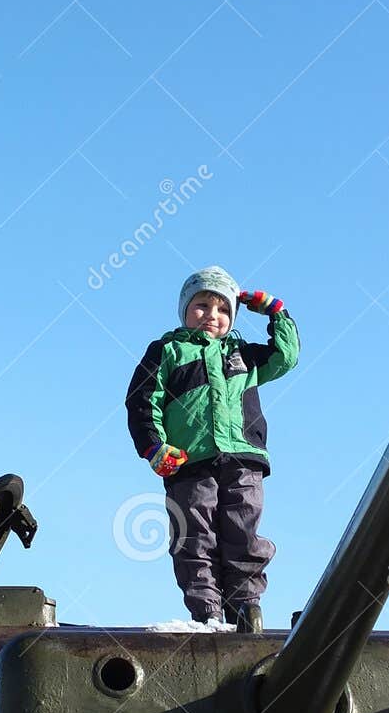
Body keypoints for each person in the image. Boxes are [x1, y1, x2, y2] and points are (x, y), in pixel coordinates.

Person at [125, 266, 299, 631]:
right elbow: (143, 401)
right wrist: (154, 446)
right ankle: (207, 612)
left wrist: (276, 313)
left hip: (243, 457)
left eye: (223, 310)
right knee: (194, 534)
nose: (212, 316)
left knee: (242, 532)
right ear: (186, 309)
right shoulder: (168, 350)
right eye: (202, 305)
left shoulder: (244, 355)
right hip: (189, 462)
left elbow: (285, 357)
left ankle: (245, 609)